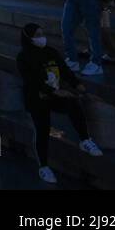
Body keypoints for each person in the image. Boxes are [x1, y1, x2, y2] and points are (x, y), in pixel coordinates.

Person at [16, 23, 104, 184]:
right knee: (42, 130)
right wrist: (54, 91)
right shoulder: (23, 57)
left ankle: (85, 140)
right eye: (37, 35)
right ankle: (43, 167)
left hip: (54, 94)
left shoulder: (51, 52)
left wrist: (77, 85)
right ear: (28, 38)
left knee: (72, 104)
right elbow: (31, 81)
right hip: (36, 99)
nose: (41, 37)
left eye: (42, 33)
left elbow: (64, 70)